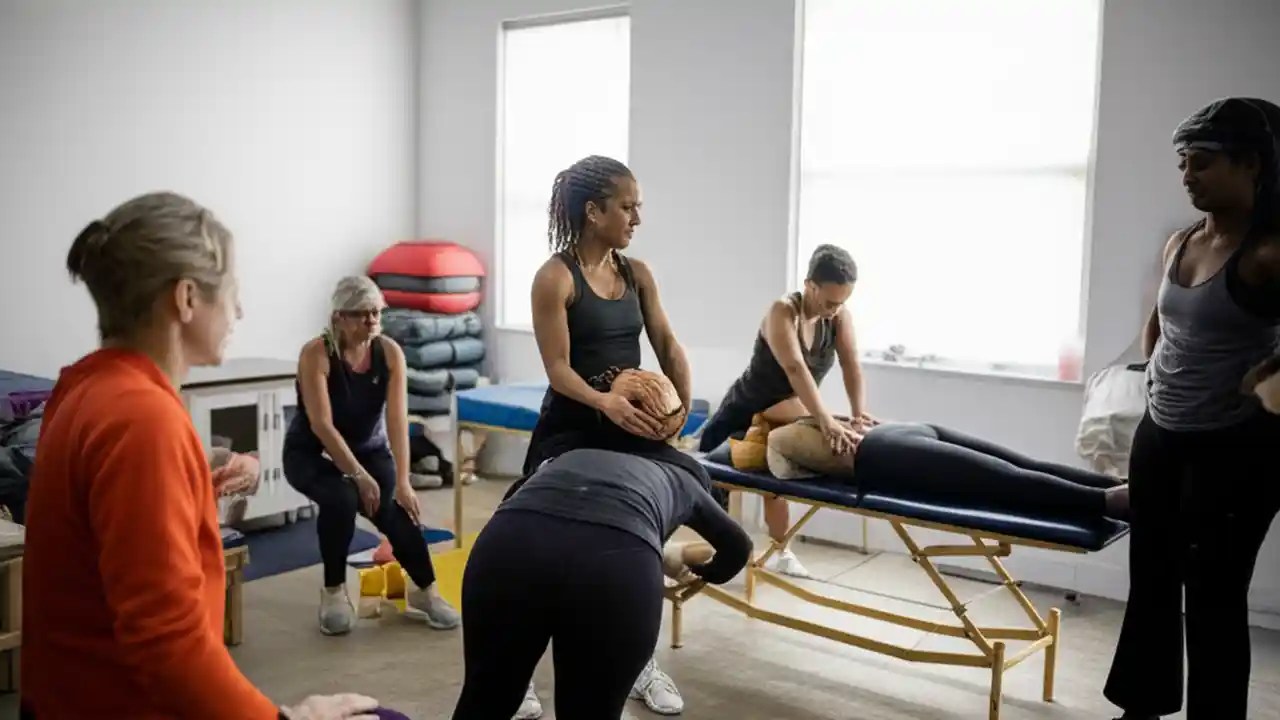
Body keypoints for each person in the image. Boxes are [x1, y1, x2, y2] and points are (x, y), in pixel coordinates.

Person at [21, 191, 386, 719]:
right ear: (187, 298)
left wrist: (197, 471)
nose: (238, 309)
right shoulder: (142, 418)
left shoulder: (84, 388)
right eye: (231, 291)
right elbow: (166, 645)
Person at [1103, 97, 1280, 720]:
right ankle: (1141, 706)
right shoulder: (1182, 240)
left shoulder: (1268, 254)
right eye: (1183, 163)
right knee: (1151, 577)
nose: (1187, 176)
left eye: (1202, 163)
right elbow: (1161, 320)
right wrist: (1155, 378)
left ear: (1252, 165)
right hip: (1163, 435)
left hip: (1235, 451)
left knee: (1213, 596)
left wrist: (1266, 388)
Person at [451, 375, 753, 720]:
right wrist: (708, 572)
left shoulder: (564, 456)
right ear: (674, 429)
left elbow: (513, 504)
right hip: (615, 562)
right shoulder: (683, 476)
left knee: (485, 698)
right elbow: (738, 547)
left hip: (512, 543)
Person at [511, 155, 694, 719]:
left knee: (636, 555)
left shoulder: (638, 274)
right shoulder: (555, 278)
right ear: (593, 212)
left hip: (632, 432)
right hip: (569, 430)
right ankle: (518, 675)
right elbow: (558, 369)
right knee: (531, 554)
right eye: (627, 206)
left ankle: (639, 662)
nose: (637, 217)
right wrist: (604, 402)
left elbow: (667, 342)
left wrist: (682, 409)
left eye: (638, 206)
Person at [283, 276, 460, 636]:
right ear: (339, 318)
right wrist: (358, 476)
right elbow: (321, 424)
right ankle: (333, 592)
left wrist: (404, 480)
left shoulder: (389, 352)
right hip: (312, 452)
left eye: (377, 313)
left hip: (368, 448)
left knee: (395, 509)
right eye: (363, 314)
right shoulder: (316, 354)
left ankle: (424, 590)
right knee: (341, 499)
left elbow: (397, 421)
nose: (372, 321)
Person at [696, 244, 871, 578]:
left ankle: (782, 551)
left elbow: (852, 366)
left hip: (789, 411)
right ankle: (711, 550)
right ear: (810, 285)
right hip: (743, 412)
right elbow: (795, 369)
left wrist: (858, 414)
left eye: (842, 302)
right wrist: (826, 420)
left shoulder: (838, 317)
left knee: (776, 481)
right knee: (706, 483)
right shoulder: (782, 312)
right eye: (829, 301)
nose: (835, 309)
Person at [762, 419, 1129, 522]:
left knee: (1005, 480)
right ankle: (1120, 488)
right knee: (1020, 465)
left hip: (885, 453)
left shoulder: (777, 439)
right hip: (899, 430)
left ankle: (1109, 501)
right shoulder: (798, 419)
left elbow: (787, 475)